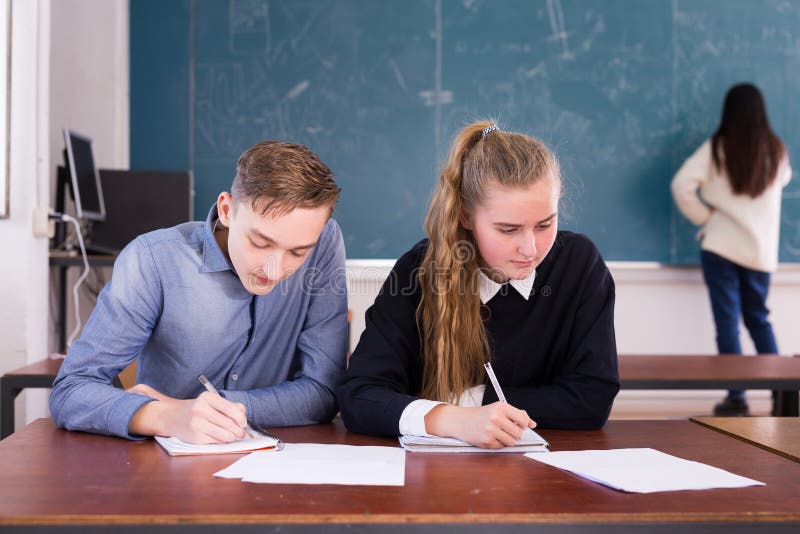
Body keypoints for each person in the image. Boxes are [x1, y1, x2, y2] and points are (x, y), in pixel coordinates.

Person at [337, 121, 619, 448]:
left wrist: (468, 401)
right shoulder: (418, 272)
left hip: (542, 477)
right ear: (466, 217)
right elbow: (359, 397)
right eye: (508, 229)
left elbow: (592, 399)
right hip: (435, 481)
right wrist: (453, 419)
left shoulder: (579, 265)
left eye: (545, 224)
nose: (530, 249)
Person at [50, 141, 348, 443]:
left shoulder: (323, 243)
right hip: (162, 467)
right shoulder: (153, 260)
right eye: (260, 244)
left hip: (273, 462)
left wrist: (213, 408)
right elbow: (71, 390)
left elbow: (323, 392)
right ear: (227, 210)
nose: (274, 271)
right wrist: (165, 416)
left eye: (297, 253)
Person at [671, 83, 792, 417]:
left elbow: (681, 184)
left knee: (727, 324)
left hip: (721, 247)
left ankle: (736, 397)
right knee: (759, 320)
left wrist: (706, 217)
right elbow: (782, 182)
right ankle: (783, 396)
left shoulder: (718, 148)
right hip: (760, 253)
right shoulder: (777, 151)